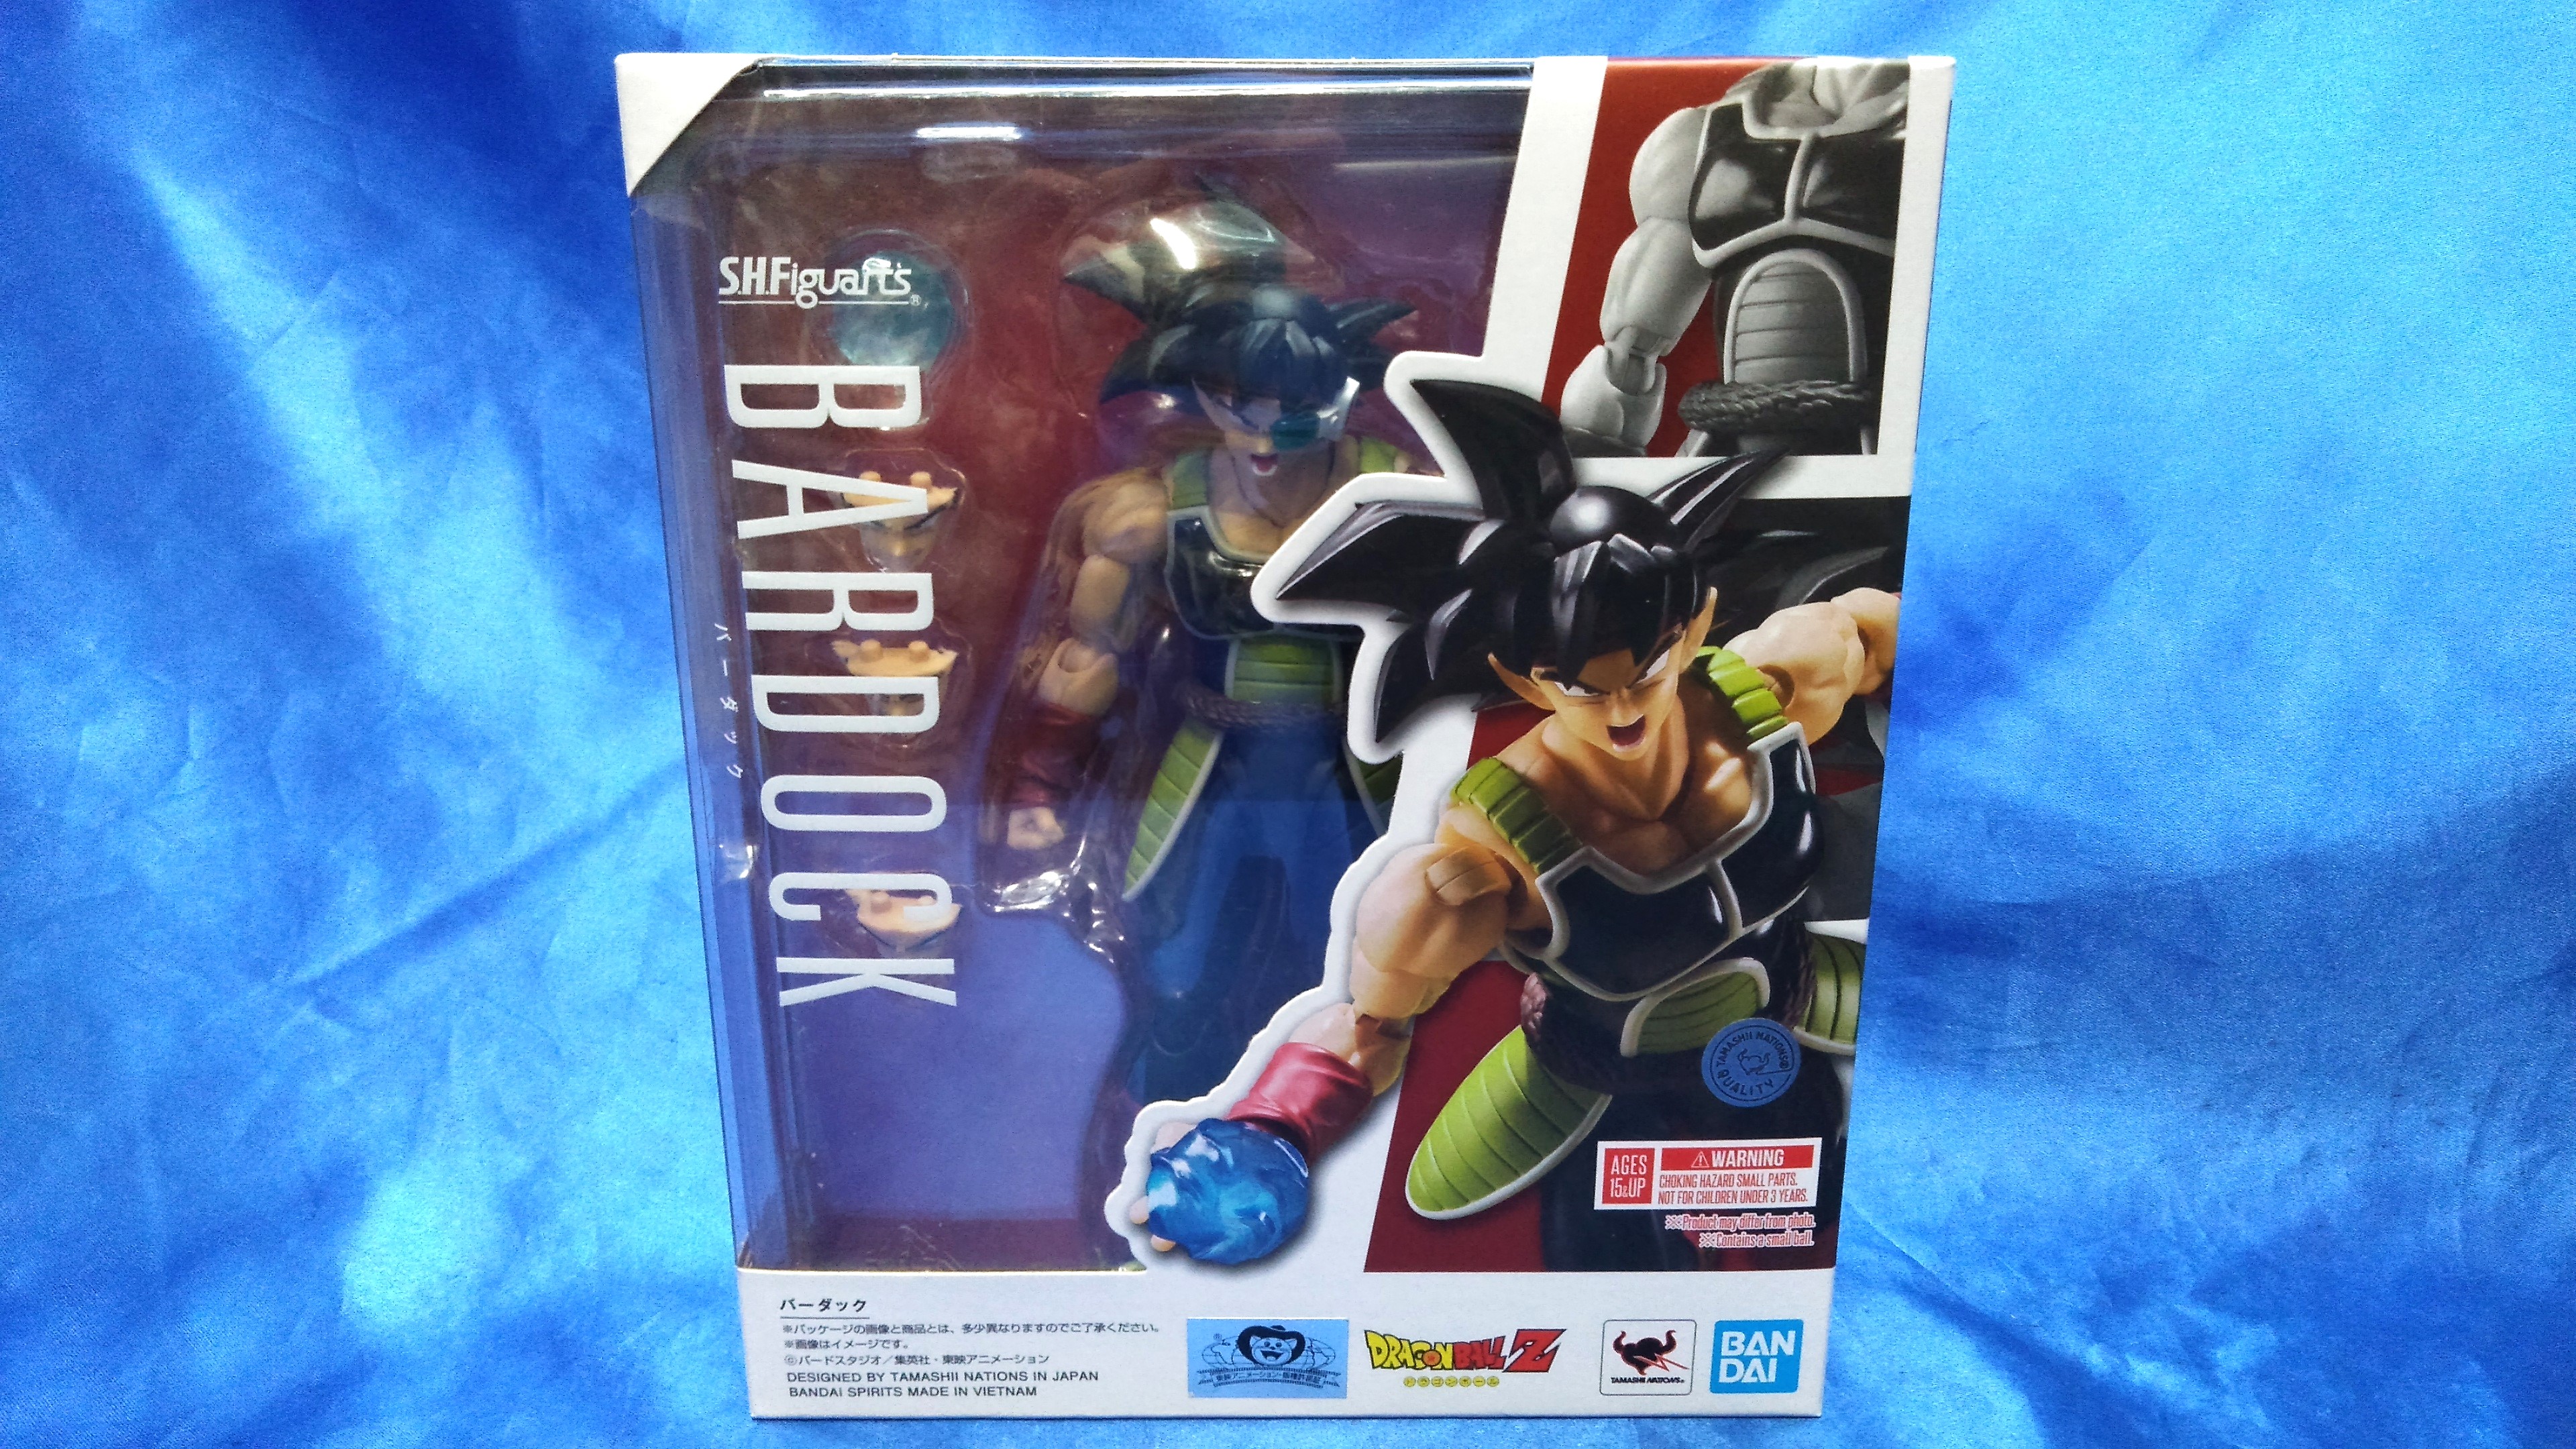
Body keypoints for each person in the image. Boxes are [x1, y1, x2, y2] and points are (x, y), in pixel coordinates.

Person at [1125, 380, 1895, 1268]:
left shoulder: (1778, 687)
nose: (1622, 711)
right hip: (1601, 1088)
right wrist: (1270, 1129)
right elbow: (1370, 1026)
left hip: (1788, 1018)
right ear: (1521, 677)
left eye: (1647, 668)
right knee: (1610, 1287)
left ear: (1695, 629)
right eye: (1579, 685)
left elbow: (1903, 636)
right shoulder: (1479, 863)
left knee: (1826, 1238)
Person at [996, 197, 1415, 1106]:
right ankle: (1162, 1133)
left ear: (1337, 394)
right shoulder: (1150, 513)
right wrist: (1038, 787)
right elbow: (1087, 653)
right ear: (1200, 390)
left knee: (1356, 978)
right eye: (1238, 402)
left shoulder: (1399, 494)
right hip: (1206, 771)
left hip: (1347, 776)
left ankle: (1332, 1147)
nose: (1264, 432)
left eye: (1294, 410)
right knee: (1176, 974)